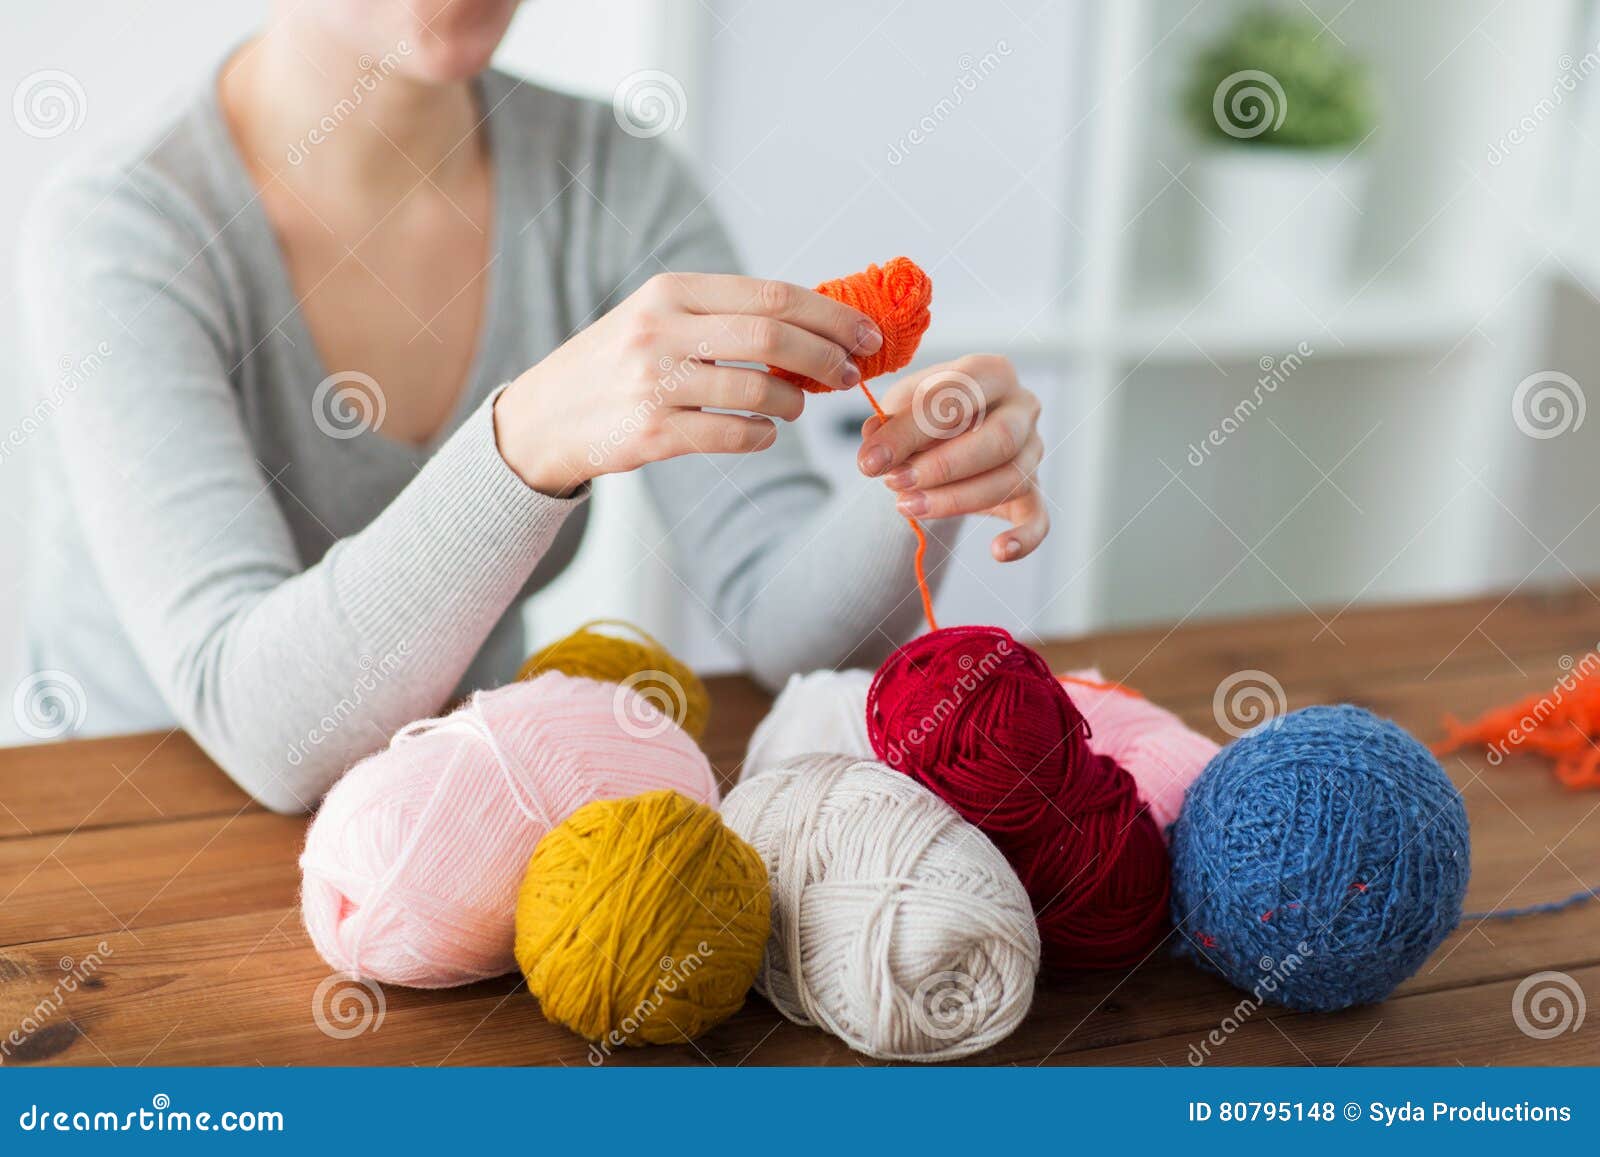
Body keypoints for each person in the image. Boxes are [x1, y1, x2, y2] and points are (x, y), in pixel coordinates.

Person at [16, 0, 1048, 812]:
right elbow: (271, 733)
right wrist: (527, 439)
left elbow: (790, 627)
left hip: (459, 810)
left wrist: (914, 481)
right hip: (139, 847)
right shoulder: (123, 231)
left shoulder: (612, 174)